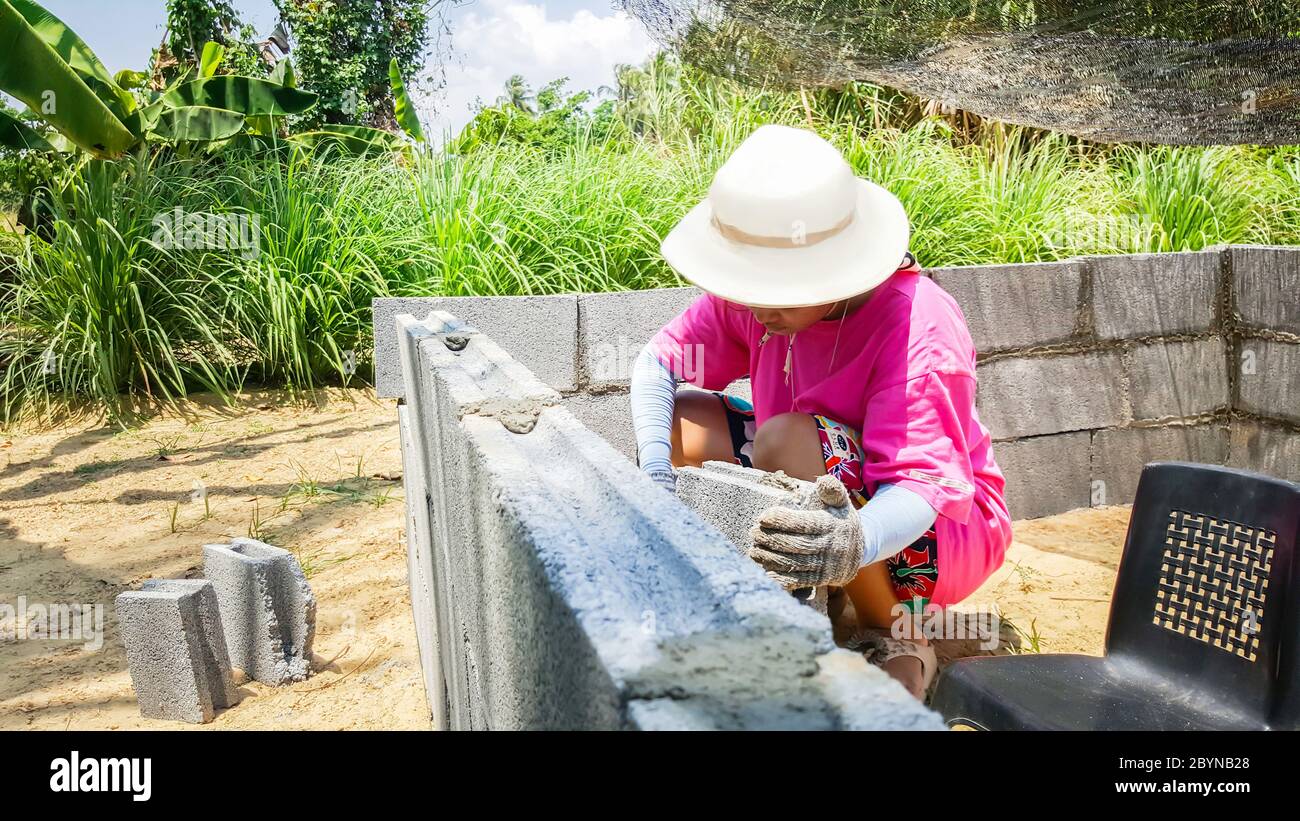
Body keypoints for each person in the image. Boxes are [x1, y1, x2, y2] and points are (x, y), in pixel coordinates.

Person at [629, 125, 1012, 698]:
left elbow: (921, 485)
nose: (755, 308)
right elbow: (657, 363)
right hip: (827, 485)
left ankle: (894, 631)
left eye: (774, 289)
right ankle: (818, 591)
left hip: (933, 528)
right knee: (682, 422)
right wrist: (658, 473)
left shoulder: (918, 326)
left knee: (786, 440)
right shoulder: (756, 305)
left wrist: (851, 543)